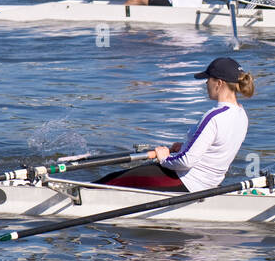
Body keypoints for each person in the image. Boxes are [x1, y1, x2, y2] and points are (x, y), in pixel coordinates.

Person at [97, 57, 253, 190]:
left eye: (208, 79)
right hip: (210, 184)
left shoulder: (214, 116)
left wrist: (164, 158)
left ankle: (77, 199)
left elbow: (187, 161)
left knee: (111, 180)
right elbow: (217, 148)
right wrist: (186, 146)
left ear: (219, 83)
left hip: (186, 180)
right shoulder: (241, 114)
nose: (206, 83)